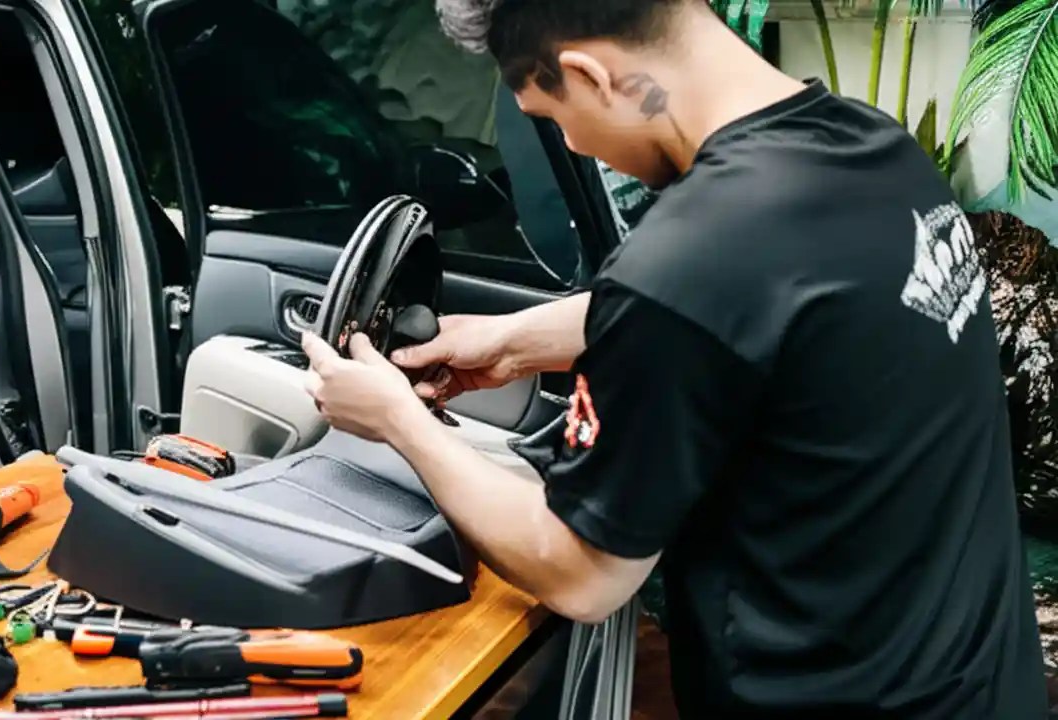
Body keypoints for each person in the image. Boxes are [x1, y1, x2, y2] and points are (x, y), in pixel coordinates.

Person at [298, 0, 1048, 716]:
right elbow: (769, 309)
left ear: (592, 76)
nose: (577, 144)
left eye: (552, 117)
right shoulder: (871, 149)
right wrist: (514, 341)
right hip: (980, 687)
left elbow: (580, 574)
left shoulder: (687, 262)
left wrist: (400, 420)